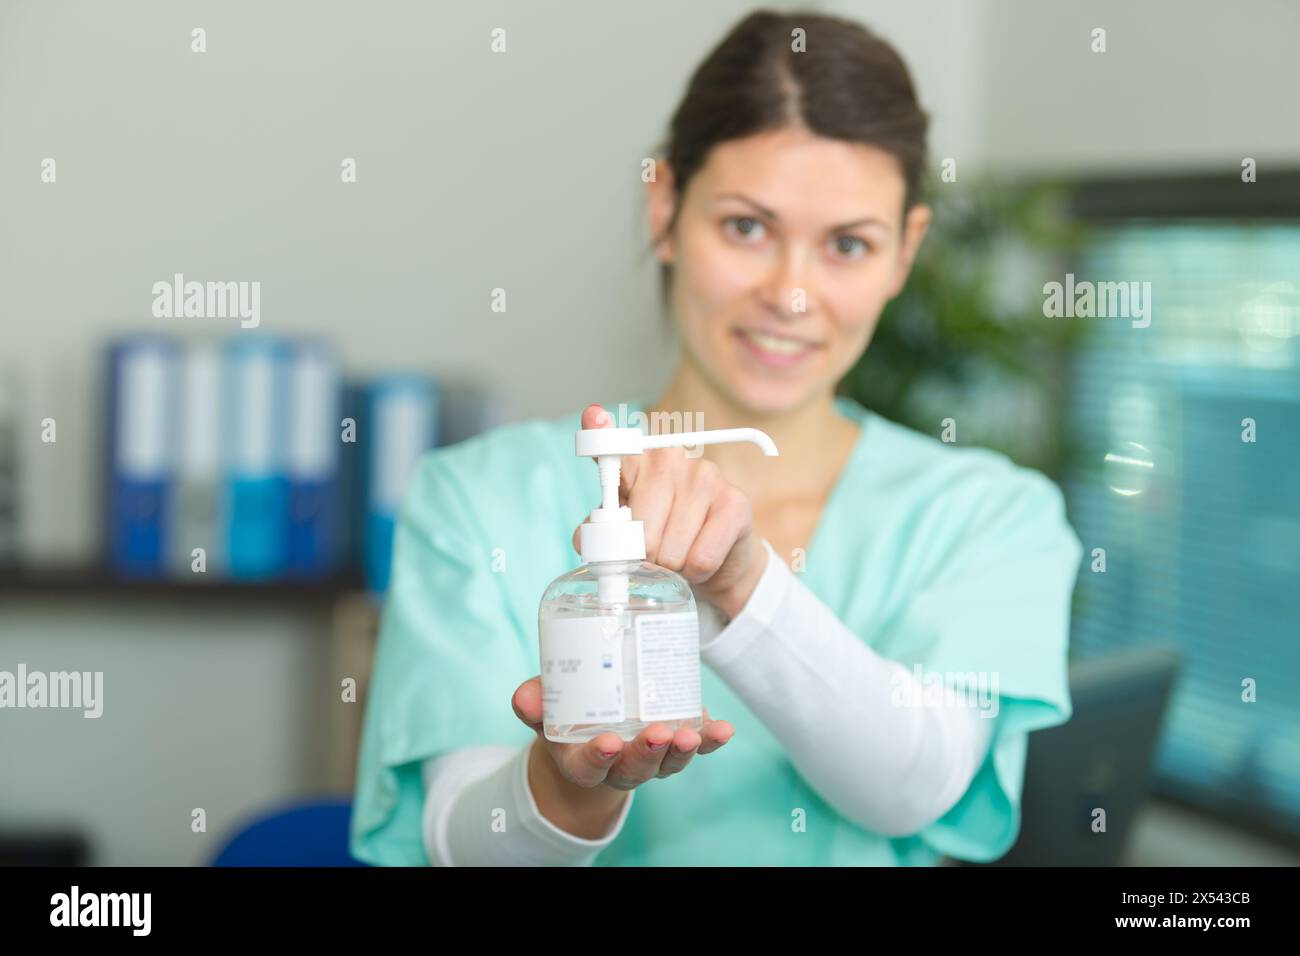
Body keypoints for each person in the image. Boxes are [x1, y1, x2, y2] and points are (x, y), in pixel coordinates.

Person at [349, 9, 1083, 867]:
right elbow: (466, 850)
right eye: (746, 227)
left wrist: (743, 586)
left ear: (903, 253)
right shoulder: (476, 498)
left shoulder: (988, 514)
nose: (793, 294)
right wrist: (568, 784)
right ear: (665, 209)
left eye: (848, 244)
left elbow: (916, 787)